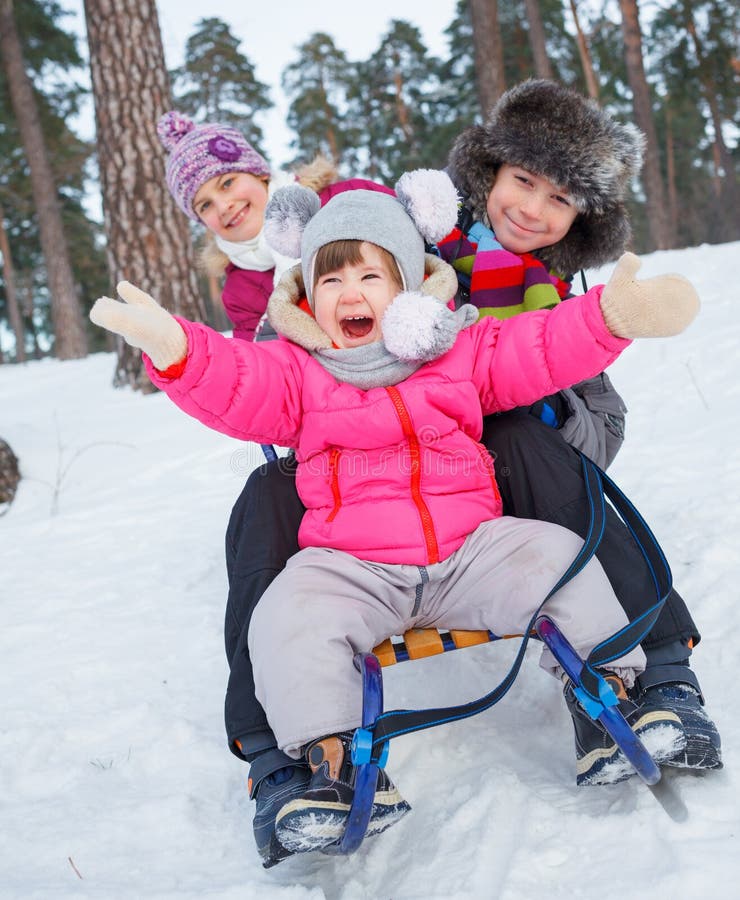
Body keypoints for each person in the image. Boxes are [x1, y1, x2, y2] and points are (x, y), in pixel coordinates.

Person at [89, 170, 701, 858]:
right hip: (354, 564)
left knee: (560, 561)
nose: (350, 294)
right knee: (290, 617)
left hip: (471, 549)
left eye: (370, 278)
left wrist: (610, 317)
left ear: (409, 289)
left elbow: (537, 346)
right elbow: (236, 380)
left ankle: (610, 698)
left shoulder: (456, 351)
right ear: (308, 298)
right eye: (331, 281)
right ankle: (331, 765)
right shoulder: (298, 371)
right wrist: (175, 348)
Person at [221, 80, 722, 867]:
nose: (530, 208)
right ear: (487, 176)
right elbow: (336, 256)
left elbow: (585, 393)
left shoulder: (561, 291)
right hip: (372, 468)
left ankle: (649, 677)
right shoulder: (421, 250)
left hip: (508, 477)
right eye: (522, 181)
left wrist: (540, 418)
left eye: (558, 198)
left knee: (525, 441)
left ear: (579, 222)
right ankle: (287, 758)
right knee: (268, 497)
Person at [156, 110, 393, 342]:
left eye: (227, 183)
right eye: (205, 205)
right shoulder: (240, 292)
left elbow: (425, 247)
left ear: (259, 174)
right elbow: (261, 368)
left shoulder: (348, 199)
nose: (223, 206)